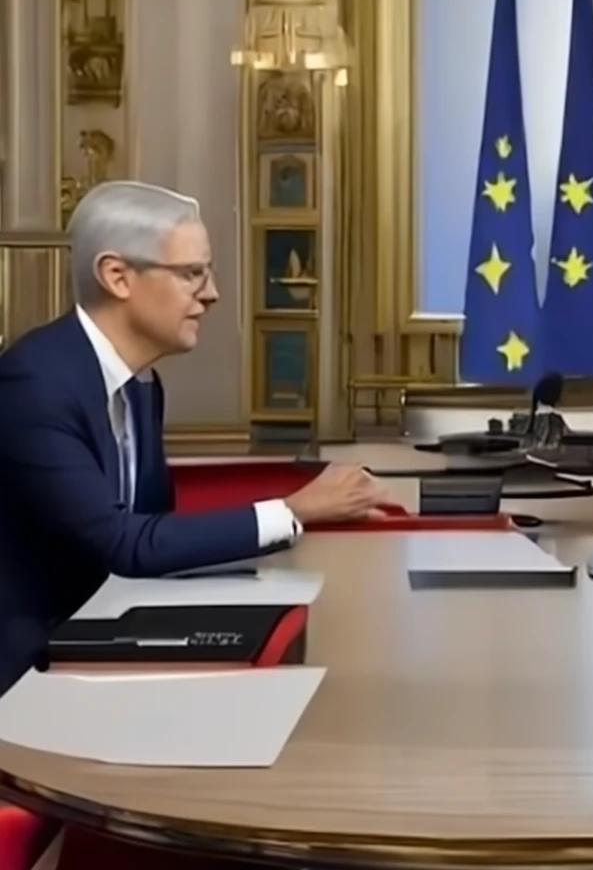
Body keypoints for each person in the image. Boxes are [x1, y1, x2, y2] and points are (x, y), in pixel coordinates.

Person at [0, 181, 390, 698]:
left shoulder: (141, 383)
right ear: (117, 276)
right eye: (192, 274)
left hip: (104, 643)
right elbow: (124, 543)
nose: (212, 293)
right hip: (27, 672)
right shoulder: (37, 384)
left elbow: (150, 529)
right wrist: (292, 510)